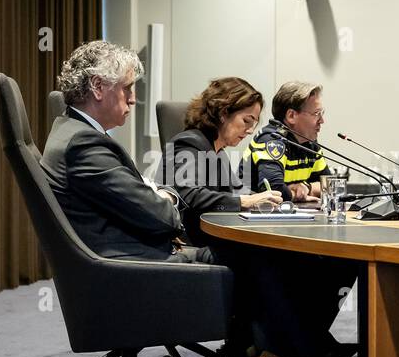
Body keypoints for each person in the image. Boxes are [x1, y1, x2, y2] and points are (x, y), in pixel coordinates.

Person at [42, 40, 209, 263]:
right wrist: (167, 197)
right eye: (127, 88)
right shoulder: (83, 145)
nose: (132, 99)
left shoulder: (69, 128)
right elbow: (162, 218)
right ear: (98, 87)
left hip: (122, 255)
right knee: (246, 258)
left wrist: (154, 196)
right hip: (130, 267)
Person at [165, 77, 281, 248]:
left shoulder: (218, 151)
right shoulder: (190, 143)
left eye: (254, 124)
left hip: (215, 237)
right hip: (193, 244)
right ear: (223, 113)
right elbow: (188, 194)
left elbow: (236, 190)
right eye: (246, 121)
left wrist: (265, 199)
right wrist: (245, 201)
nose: (250, 130)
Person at [245, 82, 331, 203]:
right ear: (291, 116)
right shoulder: (271, 140)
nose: (322, 121)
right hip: (252, 216)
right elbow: (273, 189)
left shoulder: (310, 144)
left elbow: (330, 185)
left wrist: (306, 187)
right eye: (316, 114)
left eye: (322, 113)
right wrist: (295, 194)